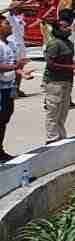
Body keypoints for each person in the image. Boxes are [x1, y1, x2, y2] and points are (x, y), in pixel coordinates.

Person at [0, 15, 32, 160]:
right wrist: (15, 66)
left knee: (5, 118)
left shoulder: (10, 44)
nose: (10, 26)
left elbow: (13, 64)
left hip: (9, 87)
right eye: (6, 23)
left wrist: (21, 72)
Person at [41, 15, 75, 143]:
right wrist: (70, 66)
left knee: (63, 111)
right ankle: (51, 138)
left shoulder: (69, 43)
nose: (68, 29)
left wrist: (73, 70)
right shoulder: (54, 44)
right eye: (65, 27)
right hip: (54, 82)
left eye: (68, 26)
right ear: (56, 30)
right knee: (53, 112)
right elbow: (50, 64)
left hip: (67, 80)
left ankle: (61, 136)